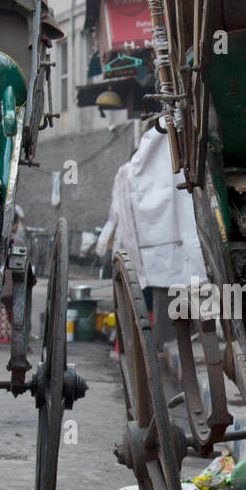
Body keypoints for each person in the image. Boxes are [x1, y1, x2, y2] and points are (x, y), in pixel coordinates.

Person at [95, 123, 205, 347]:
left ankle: (173, 348)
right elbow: (122, 214)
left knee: (173, 311)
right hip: (168, 257)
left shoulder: (138, 164)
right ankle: (170, 349)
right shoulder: (137, 165)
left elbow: (119, 216)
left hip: (161, 256)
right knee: (175, 313)